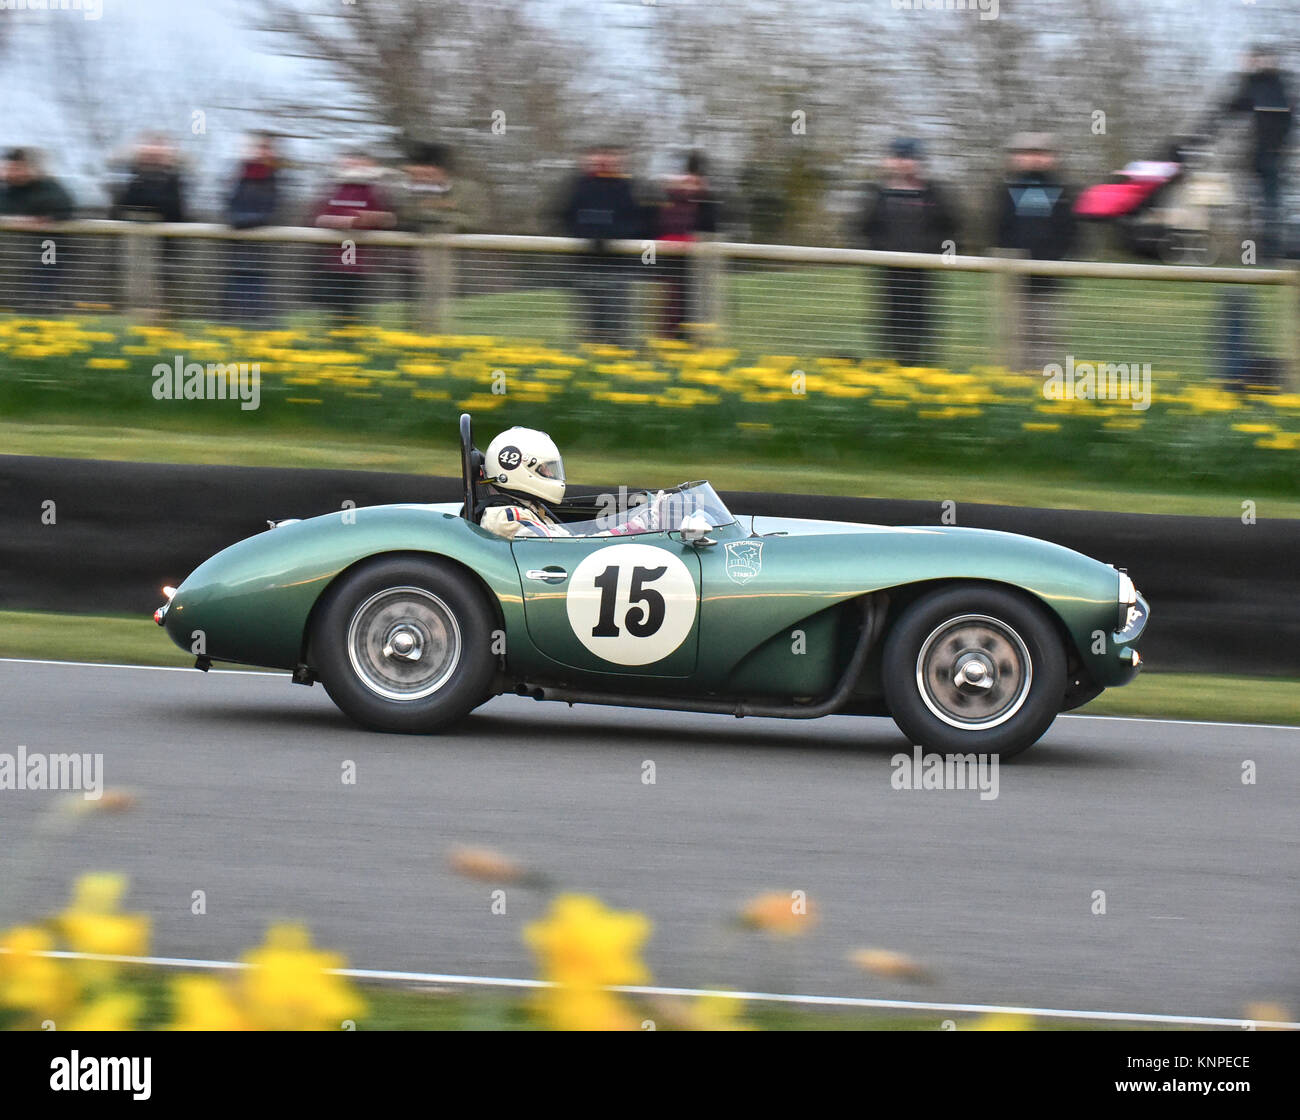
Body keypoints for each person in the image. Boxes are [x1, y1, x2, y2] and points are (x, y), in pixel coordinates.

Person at [856, 138, 958, 366]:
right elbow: (863, 228)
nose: (903, 163)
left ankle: (922, 373)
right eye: (898, 158)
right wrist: (881, 253)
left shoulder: (934, 194)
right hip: (889, 276)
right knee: (890, 328)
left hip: (923, 276)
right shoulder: (878, 194)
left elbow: (951, 226)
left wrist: (937, 255)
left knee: (922, 328)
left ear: (919, 162)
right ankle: (892, 372)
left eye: (908, 158)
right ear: (889, 161)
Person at [993, 132, 1078, 370]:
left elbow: (1072, 233)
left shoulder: (1063, 192)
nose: (1034, 159)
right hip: (1015, 283)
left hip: (1050, 283)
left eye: (1040, 154)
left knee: (1048, 337)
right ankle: (1017, 384)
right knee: (1015, 337)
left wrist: (1056, 262)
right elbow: (998, 230)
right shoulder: (1005, 191)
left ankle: (1046, 382)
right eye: (1027, 154)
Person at [557, 144, 649, 346]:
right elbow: (566, 218)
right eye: (599, 157)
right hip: (585, 268)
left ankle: (616, 359)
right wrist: (589, 235)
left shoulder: (628, 188)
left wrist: (610, 237)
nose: (603, 161)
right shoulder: (578, 187)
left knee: (616, 322)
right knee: (590, 325)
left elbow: (639, 224)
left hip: (618, 269)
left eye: (610, 157)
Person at [1221, 45, 1294, 260]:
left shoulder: (1274, 85)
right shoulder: (1254, 84)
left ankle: (1268, 255)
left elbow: (1287, 119)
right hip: (1256, 156)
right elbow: (1234, 107)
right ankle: (1251, 256)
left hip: (1271, 156)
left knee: (1270, 206)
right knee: (1255, 207)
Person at [310, 149, 396, 322]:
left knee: (355, 308)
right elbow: (317, 216)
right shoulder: (333, 189)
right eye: (349, 163)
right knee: (335, 308)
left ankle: (351, 339)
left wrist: (368, 219)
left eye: (358, 163)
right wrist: (346, 221)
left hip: (362, 263)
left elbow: (390, 218)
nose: (353, 167)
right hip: (332, 261)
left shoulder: (376, 191)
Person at [655, 151, 721, 340]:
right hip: (671, 266)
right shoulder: (668, 199)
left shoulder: (707, 202)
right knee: (671, 311)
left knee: (697, 311)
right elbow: (657, 226)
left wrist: (704, 198)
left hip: (698, 268)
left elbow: (710, 228)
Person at [0, 148, 75, 311]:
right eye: (10, 168)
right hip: (10, 247)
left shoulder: (49, 187)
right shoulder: (5, 190)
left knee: (49, 258)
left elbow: (65, 209)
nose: (13, 173)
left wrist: (40, 220)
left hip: (46, 243)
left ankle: (41, 304)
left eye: (18, 168)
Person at [223, 131, 280, 323]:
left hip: (264, 250)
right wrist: (237, 221)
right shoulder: (236, 175)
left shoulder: (276, 177)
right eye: (255, 147)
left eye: (264, 148)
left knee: (257, 295)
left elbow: (274, 211)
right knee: (233, 293)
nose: (259, 152)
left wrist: (241, 222)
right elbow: (227, 204)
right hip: (236, 247)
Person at [478, 427, 572, 540]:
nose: (551, 474)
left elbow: (570, 539)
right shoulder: (507, 518)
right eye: (543, 469)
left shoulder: (531, 508)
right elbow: (559, 544)